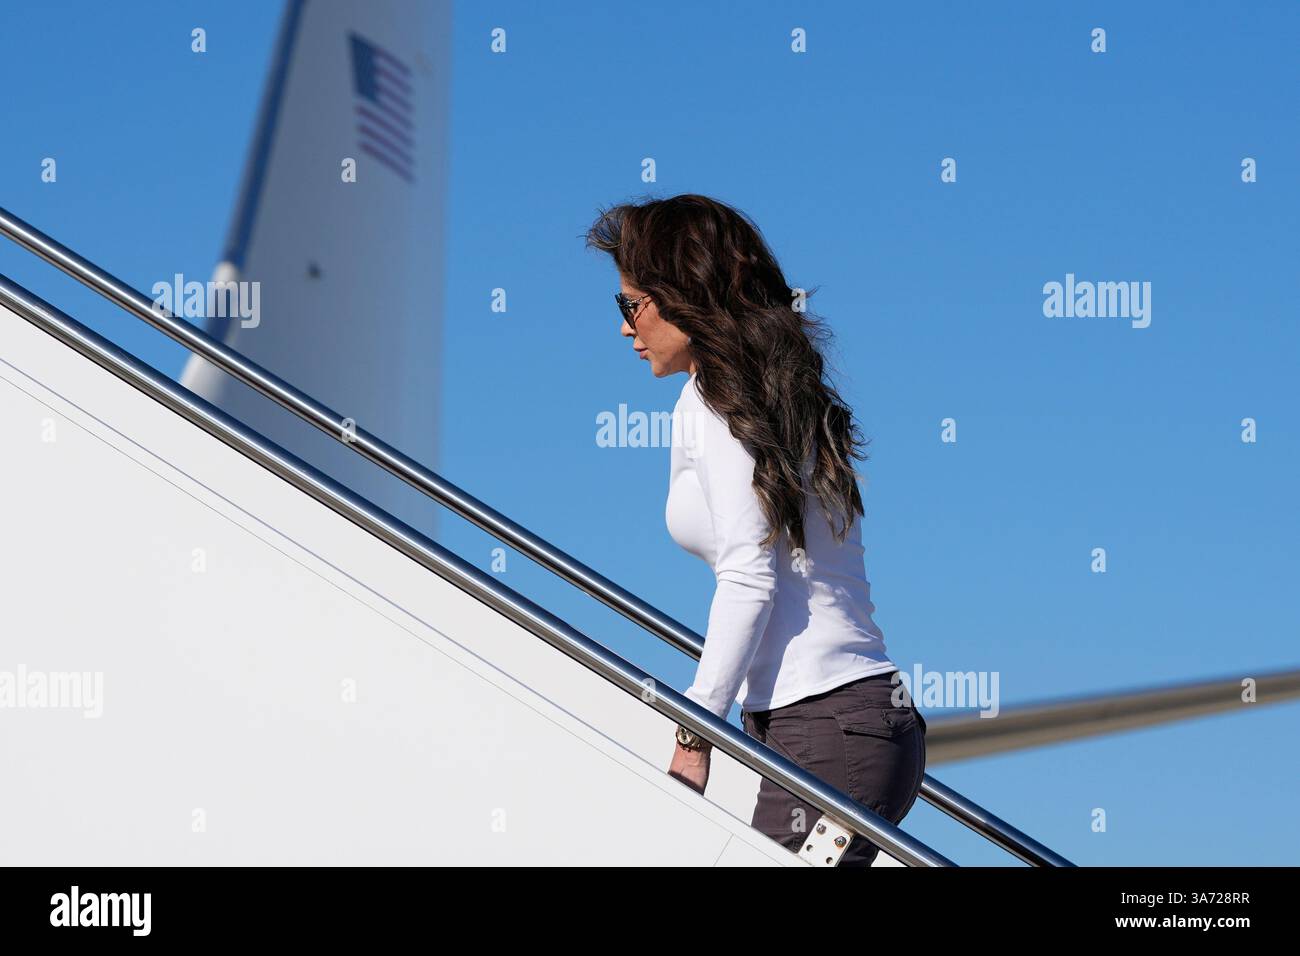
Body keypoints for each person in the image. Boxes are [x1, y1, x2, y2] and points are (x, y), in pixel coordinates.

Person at [585, 194, 927, 865]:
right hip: (852, 722)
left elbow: (749, 574)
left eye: (630, 304)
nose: (625, 328)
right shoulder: (775, 386)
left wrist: (694, 729)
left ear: (681, 294)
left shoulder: (712, 396)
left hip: (825, 724)